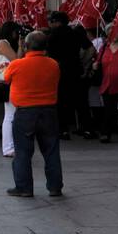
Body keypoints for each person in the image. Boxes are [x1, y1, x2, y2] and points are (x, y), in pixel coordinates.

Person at [4, 30, 63, 197]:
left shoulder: (17, 65)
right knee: (51, 151)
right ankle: (55, 186)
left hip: (25, 113)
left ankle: (24, 187)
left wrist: (20, 51)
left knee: (23, 152)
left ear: (26, 45)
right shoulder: (53, 64)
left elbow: (6, 78)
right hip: (48, 111)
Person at [46, 11, 90, 139]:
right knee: (81, 102)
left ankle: (63, 130)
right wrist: (85, 63)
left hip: (59, 71)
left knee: (61, 103)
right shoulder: (75, 32)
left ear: (56, 22)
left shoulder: (52, 35)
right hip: (76, 70)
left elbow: (47, 55)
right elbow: (90, 48)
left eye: (51, 21)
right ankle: (86, 128)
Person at [0, 21, 21, 157]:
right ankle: (8, 147)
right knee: (9, 115)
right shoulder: (3, 43)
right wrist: (21, 45)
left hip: (11, 82)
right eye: (16, 32)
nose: (17, 35)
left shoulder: (6, 43)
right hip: (7, 83)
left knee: (12, 114)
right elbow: (17, 60)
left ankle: (11, 145)